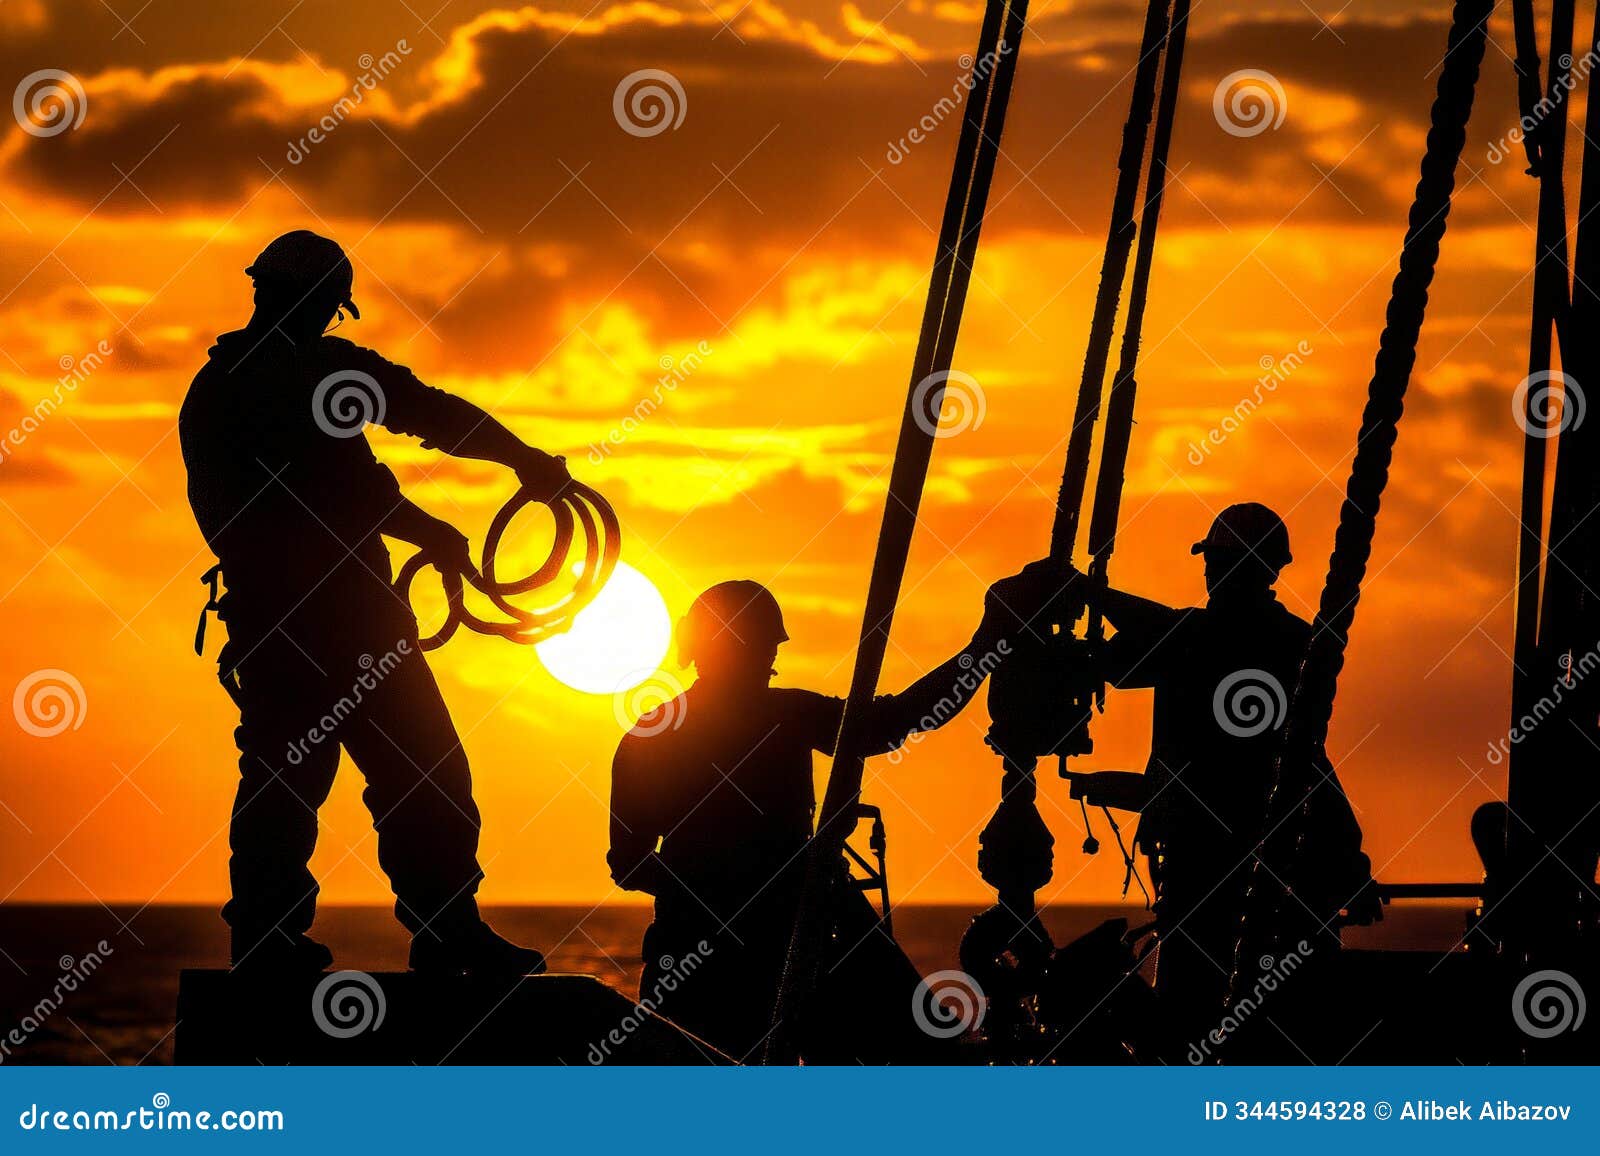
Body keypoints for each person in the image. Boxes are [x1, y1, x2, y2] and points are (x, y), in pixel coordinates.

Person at [179, 230, 570, 975]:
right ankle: (441, 931)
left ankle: (277, 943)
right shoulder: (291, 379)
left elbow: (425, 416)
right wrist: (464, 510)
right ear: (326, 302)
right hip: (331, 626)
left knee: (301, 781)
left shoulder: (226, 385)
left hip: (289, 627)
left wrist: (518, 463)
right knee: (412, 772)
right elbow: (344, 490)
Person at [992, 503, 1377, 1044]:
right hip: (1281, 861)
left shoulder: (1219, 638)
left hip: (1213, 866)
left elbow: (1165, 640)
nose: (1207, 571)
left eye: (1215, 560)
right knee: (1275, 1016)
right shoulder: (1288, 642)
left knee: (1189, 1012)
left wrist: (1086, 598)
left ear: (1232, 566)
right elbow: (1139, 654)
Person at [607, 579, 1002, 1061]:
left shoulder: (667, 734)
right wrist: (989, 641)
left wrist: (988, 645)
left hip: (775, 951)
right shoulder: (772, 718)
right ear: (735, 648)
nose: (772, 662)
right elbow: (629, 864)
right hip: (722, 966)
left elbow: (892, 722)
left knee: (927, 1043)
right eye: (766, 649)